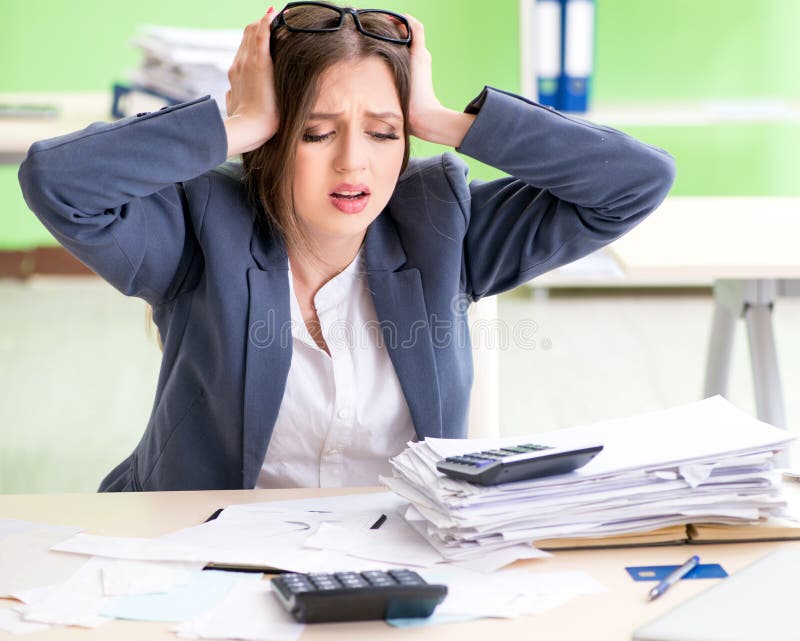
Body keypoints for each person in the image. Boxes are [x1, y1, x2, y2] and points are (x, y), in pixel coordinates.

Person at [18, 2, 675, 492]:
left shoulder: (439, 222)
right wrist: (236, 121)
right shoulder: (202, 224)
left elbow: (636, 183)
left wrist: (442, 119)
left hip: (394, 556)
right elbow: (57, 181)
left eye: (385, 132)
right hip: (204, 555)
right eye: (316, 133)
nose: (353, 165)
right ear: (274, 139)